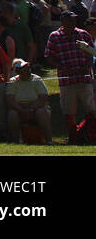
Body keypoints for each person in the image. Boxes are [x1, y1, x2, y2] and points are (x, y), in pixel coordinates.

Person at [44, 10, 96, 143]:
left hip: (84, 78)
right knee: (69, 110)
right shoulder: (54, 36)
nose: (73, 22)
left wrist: (88, 65)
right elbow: (49, 56)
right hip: (67, 80)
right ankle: (74, 137)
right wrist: (61, 67)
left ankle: (91, 135)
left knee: (91, 108)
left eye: (74, 20)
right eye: (70, 20)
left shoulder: (84, 34)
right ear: (63, 21)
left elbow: (91, 53)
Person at [5, 59, 52, 144]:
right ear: (18, 71)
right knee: (12, 114)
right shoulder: (12, 82)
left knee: (41, 112)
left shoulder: (37, 79)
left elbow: (43, 97)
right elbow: (10, 100)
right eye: (24, 68)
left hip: (37, 107)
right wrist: (22, 110)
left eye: (28, 68)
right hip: (19, 108)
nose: (27, 70)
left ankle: (48, 140)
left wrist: (31, 108)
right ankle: (16, 141)